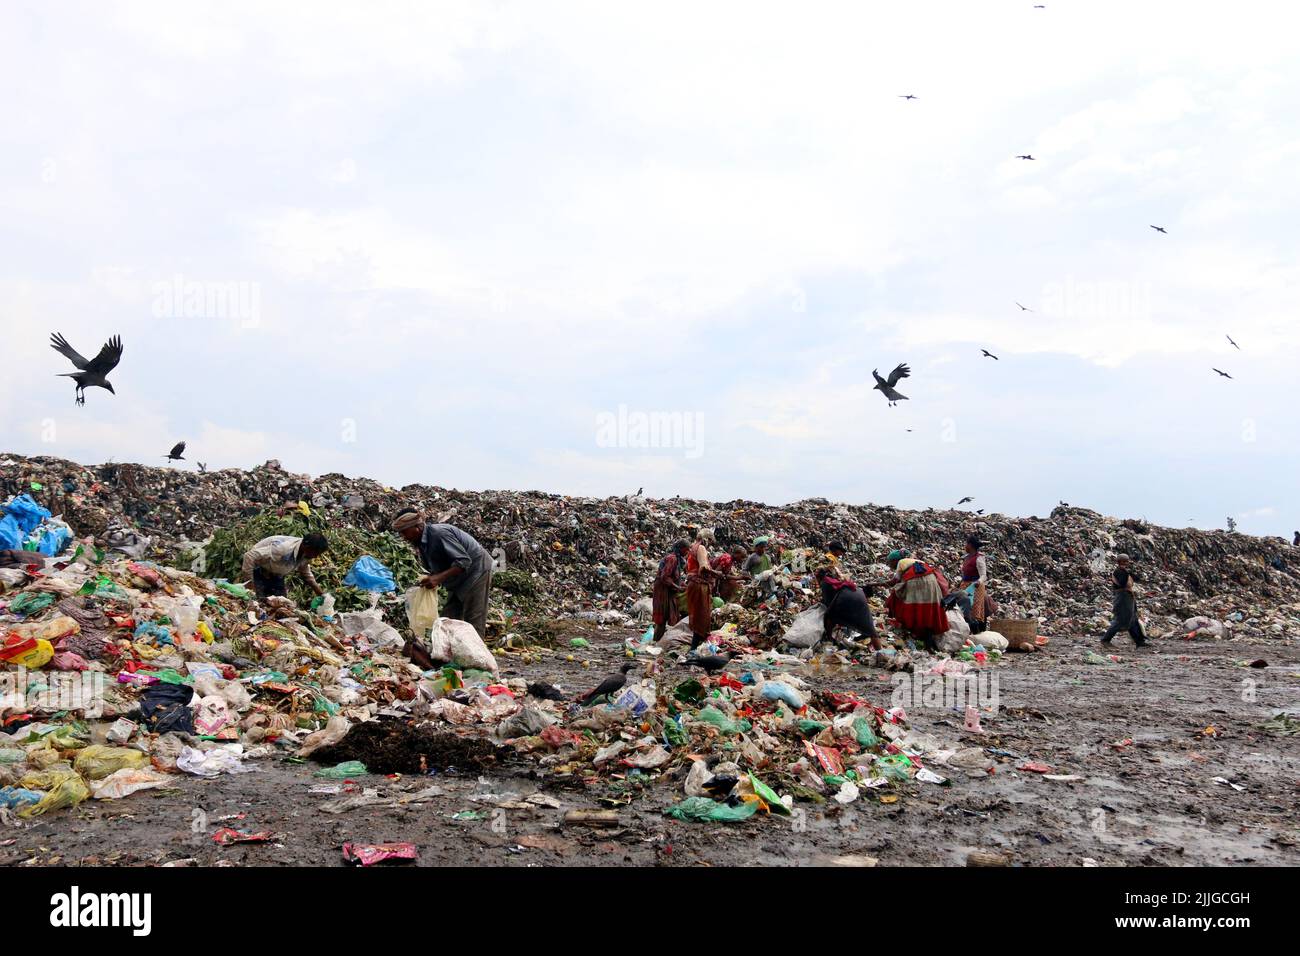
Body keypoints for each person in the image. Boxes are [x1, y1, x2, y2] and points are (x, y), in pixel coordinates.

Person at [391, 509, 494, 638]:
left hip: (476, 570)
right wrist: (432, 578)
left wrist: (437, 579)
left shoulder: (438, 533)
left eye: (404, 532)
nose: (404, 537)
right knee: (448, 619)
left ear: (417, 527)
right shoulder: (422, 544)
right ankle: (449, 653)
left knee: (473, 619)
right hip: (457, 578)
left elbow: (464, 561)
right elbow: (439, 565)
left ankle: (477, 655)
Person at [880, 548, 949, 650]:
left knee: (908, 605)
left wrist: (876, 583)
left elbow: (894, 581)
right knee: (927, 611)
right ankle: (929, 644)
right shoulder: (916, 561)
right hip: (932, 583)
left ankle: (910, 628)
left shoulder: (901, 562)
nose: (890, 565)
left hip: (916, 582)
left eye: (890, 562)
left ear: (895, 560)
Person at [241, 532, 328, 600]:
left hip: (277, 575)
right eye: (316, 553)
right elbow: (249, 556)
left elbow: (305, 571)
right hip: (259, 571)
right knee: (256, 601)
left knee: (282, 606)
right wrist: (249, 583)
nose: (316, 556)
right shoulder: (282, 548)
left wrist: (319, 592)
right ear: (306, 547)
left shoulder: (307, 554)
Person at [815, 567, 882, 650]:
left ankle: (829, 639)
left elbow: (828, 603)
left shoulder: (825, 582)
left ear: (818, 577)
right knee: (869, 628)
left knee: (829, 617)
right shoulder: (836, 578)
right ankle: (881, 652)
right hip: (858, 594)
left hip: (847, 598)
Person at [684, 529, 723, 649]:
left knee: (697, 616)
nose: (710, 544)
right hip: (699, 585)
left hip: (693, 584)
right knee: (702, 617)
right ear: (707, 539)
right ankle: (694, 649)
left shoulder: (692, 548)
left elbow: (688, 568)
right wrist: (716, 573)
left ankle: (696, 647)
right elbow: (703, 568)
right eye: (710, 541)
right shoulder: (701, 548)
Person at [1102, 554, 1148, 647]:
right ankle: (1105, 639)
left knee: (1133, 619)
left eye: (1127, 561)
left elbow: (1138, 579)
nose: (1126, 563)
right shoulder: (1118, 572)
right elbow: (1122, 583)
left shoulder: (1125, 571)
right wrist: (1127, 573)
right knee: (1120, 619)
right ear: (1120, 562)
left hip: (1128, 597)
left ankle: (1139, 641)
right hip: (1122, 597)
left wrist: (1131, 573)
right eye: (1124, 561)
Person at [958, 535, 997, 633]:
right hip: (965, 586)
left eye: (966, 544)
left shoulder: (979, 558)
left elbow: (983, 575)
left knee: (975, 611)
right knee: (964, 610)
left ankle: (977, 632)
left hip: (976, 587)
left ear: (970, 545)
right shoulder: (967, 558)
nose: (965, 546)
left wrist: (978, 582)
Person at [652, 541, 689, 641]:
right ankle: (656, 641)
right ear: (681, 548)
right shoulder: (672, 559)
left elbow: (675, 577)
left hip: (669, 590)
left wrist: (682, 585)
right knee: (662, 618)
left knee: (669, 615)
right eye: (686, 549)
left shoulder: (677, 560)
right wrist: (677, 587)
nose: (687, 551)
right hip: (663, 590)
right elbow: (665, 577)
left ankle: (658, 640)